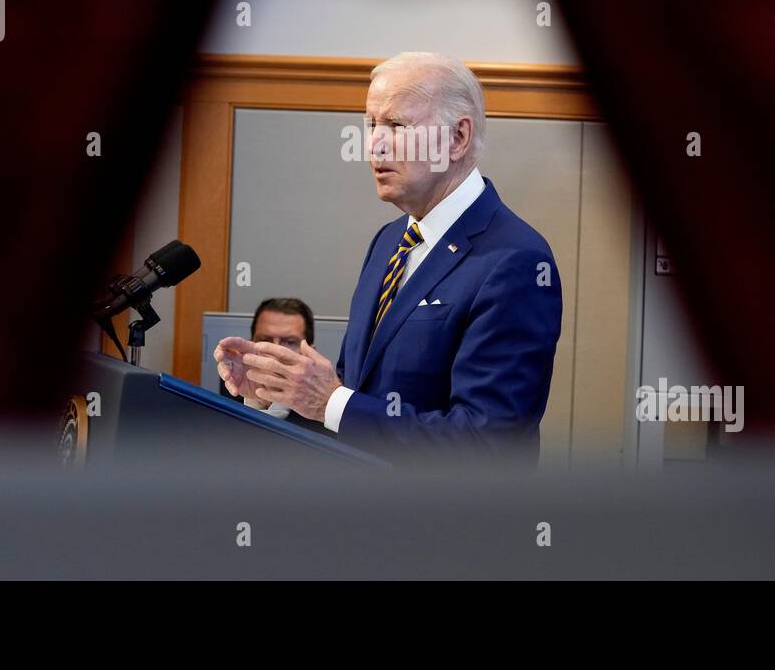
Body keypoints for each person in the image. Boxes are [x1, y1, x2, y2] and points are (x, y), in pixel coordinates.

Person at [215, 52, 562, 463]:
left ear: (457, 138)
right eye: (371, 124)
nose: (374, 144)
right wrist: (280, 393)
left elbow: (485, 446)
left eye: (396, 125)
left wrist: (330, 402)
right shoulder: (388, 241)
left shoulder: (516, 260)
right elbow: (356, 400)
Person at [219, 297, 328, 433]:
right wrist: (257, 402)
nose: (275, 351)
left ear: (310, 354)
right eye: (265, 340)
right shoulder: (231, 389)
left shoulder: (325, 412)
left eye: (289, 342)